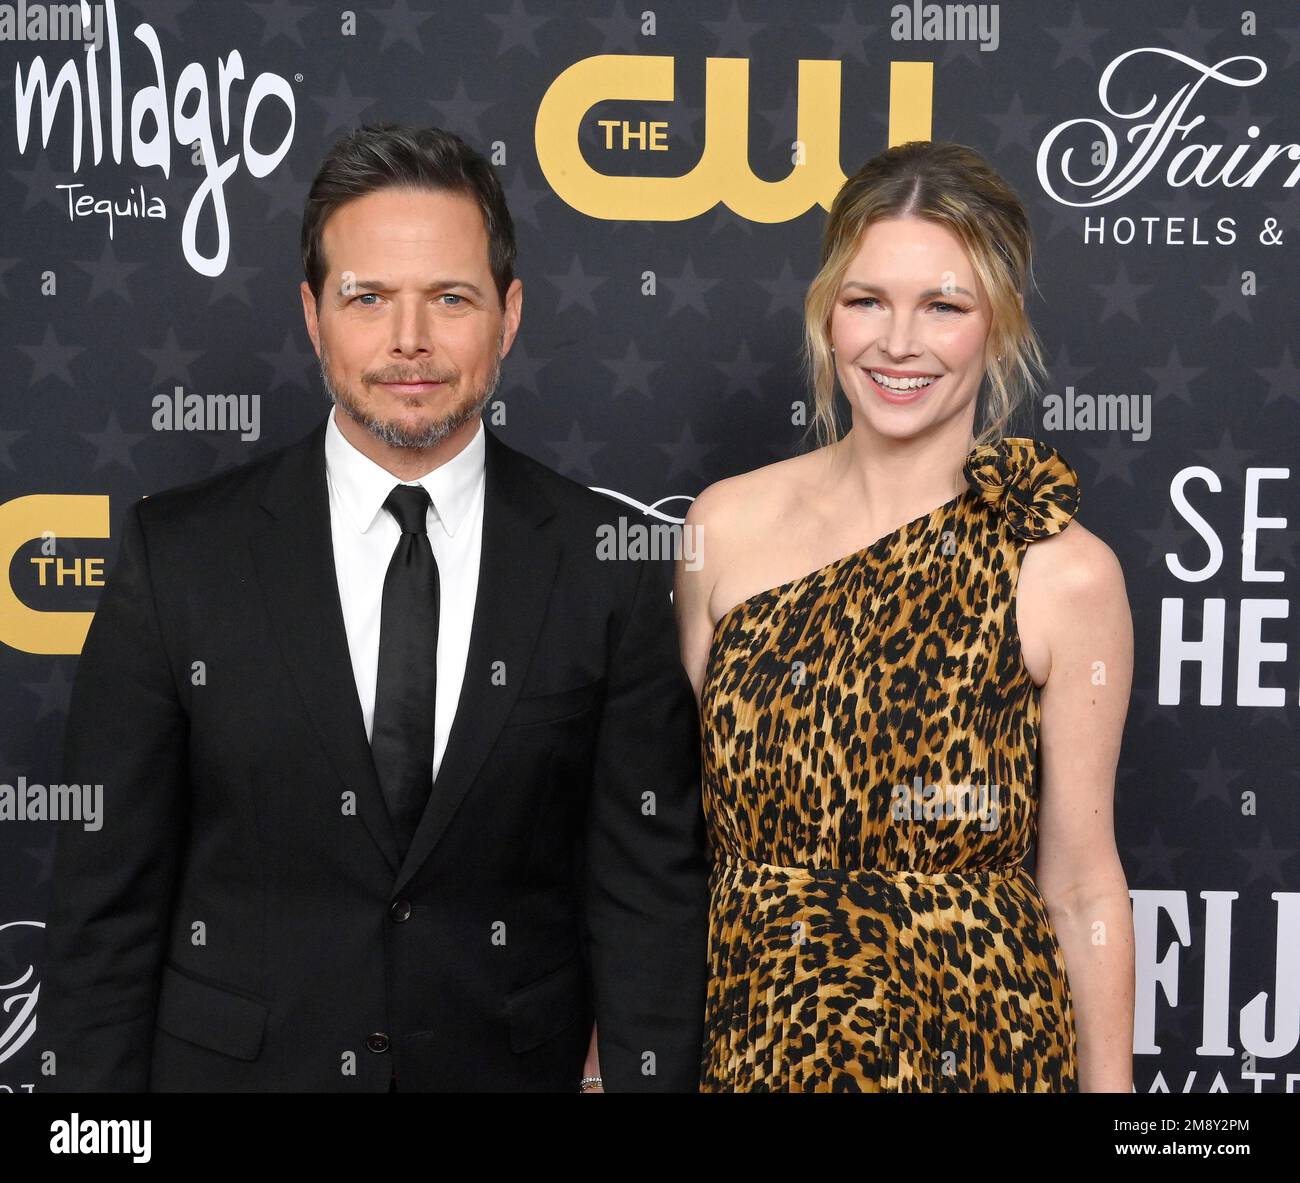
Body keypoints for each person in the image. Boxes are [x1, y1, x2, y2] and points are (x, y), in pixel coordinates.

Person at [39, 123, 708, 1092]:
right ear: (312, 315)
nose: (409, 340)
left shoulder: (608, 563)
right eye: (367, 298)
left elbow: (647, 899)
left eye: (450, 297)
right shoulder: (177, 556)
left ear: (509, 315)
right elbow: (104, 911)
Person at [676, 140, 1135, 1091]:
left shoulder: (1066, 573)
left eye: (944, 306)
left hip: (982, 1040)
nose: (897, 343)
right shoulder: (721, 528)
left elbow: (1084, 881)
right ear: (827, 313)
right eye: (867, 300)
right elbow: (667, 836)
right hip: (762, 1031)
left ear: (998, 326)